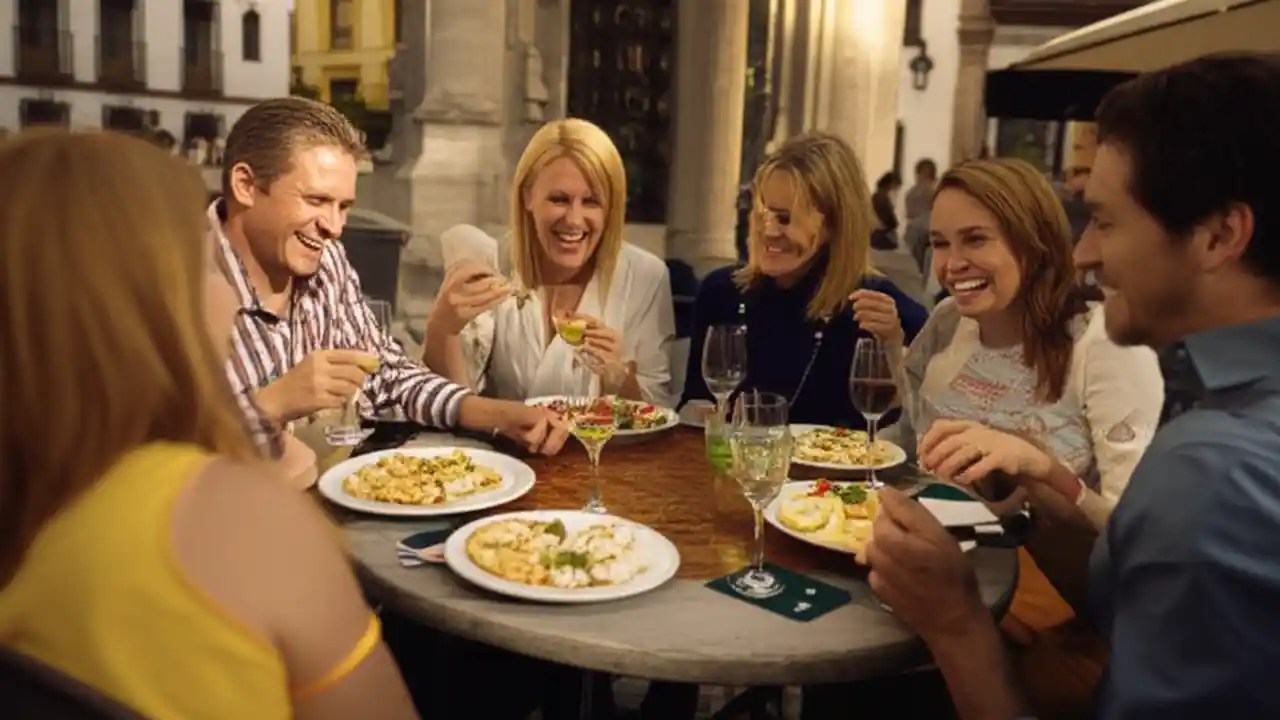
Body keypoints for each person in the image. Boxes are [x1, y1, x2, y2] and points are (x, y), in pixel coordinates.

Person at [864, 52, 1280, 719]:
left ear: (1220, 236)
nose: (1082, 252)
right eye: (941, 243)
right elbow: (1125, 588)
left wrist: (956, 623)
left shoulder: (1212, 473)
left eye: (1106, 221)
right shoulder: (1208, 398)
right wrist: (1032, 484)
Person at [0, 130, 418, 719]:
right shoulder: (226, 513)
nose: (227, 289)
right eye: (202, 263)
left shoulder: (34, 501)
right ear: (138, 302)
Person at [884, 157, 1162, 718]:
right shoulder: (945, 322)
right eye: (939, 243)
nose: (952, 264)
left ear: (1033, 241)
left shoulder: (1101, 342)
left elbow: (1141, 543)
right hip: (925, 581)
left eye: (976, 239)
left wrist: (1039, 471)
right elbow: (904, 444)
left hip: (1041, 608)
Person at [212, 97, 566, 458]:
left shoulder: (327, 259)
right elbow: (159, 457)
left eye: (344, 206)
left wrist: (497, 414)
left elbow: (389, 378)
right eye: (316, 200)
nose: (334, 227)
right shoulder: (171, 282)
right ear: (246, 185)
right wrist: (270, 404)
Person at [422, 118, 675, 406]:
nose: (574, 220)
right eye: (559, 199)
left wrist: (618, 377)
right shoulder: (492, 264)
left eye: (591, 202)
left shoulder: (644, 277)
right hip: (504, 447)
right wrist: (442, 329)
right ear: (528, 196)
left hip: (600, 449)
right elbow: (455, 403)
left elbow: (659, 413)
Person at [682, 132, 927, 428]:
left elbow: (918, 423)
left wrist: (894, 351)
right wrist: (699, 414)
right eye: (761, 213)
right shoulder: (720, 292)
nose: (769, 231)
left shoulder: (875, 307)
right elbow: (691, 404)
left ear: (834, 225)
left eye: (785, 218)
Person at [905, 158, 938, 272]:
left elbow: (909, 215)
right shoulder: (936, 193)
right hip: (930, 231)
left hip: (915, 234)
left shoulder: (911, 194)